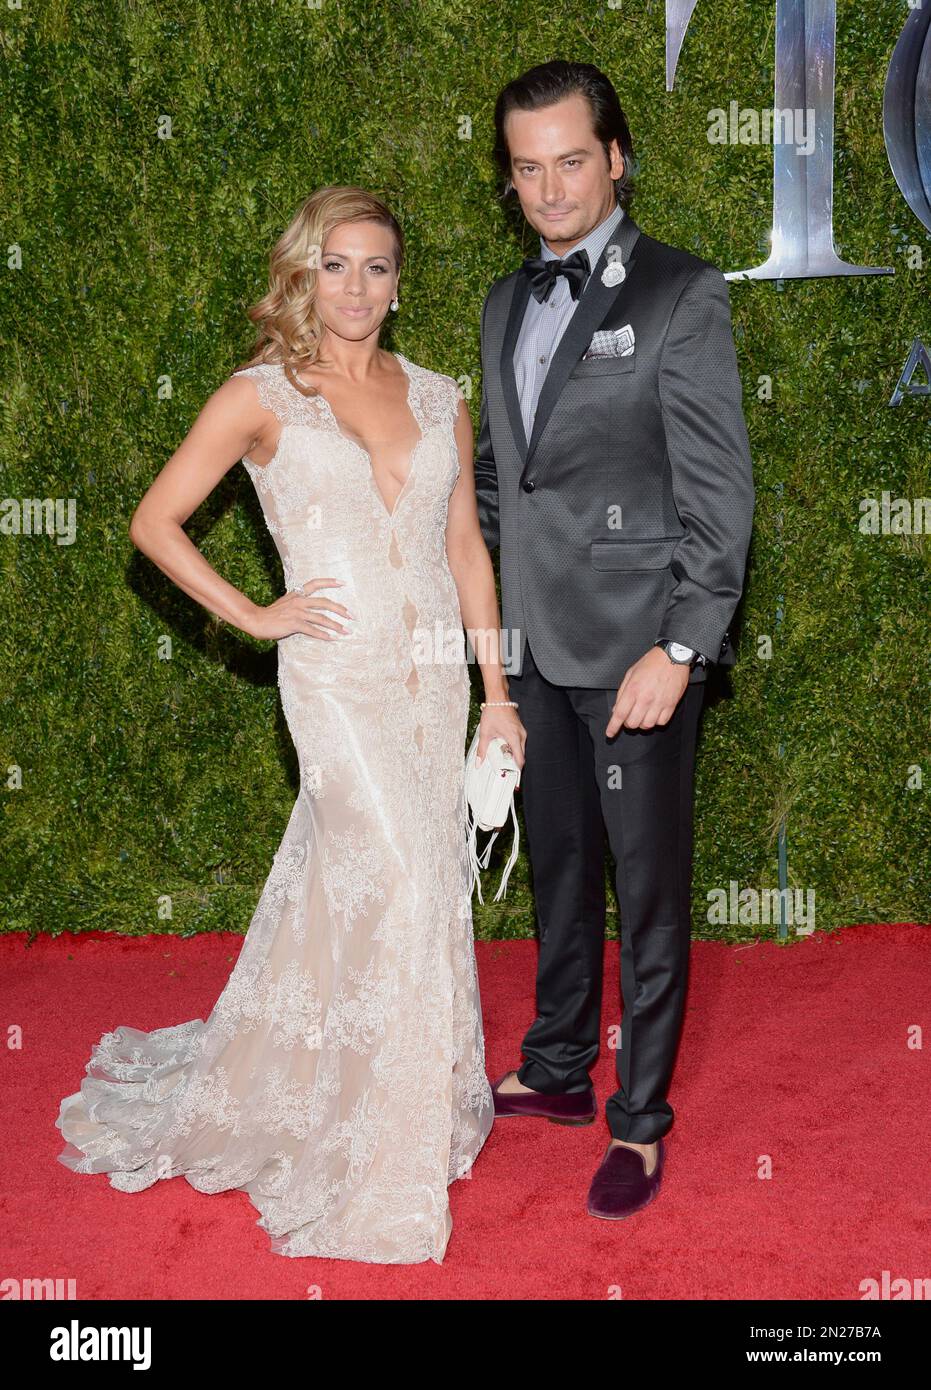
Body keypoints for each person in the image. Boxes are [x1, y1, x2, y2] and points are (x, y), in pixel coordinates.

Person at [55, 185, 526, 1265]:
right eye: (337, 264)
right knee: (402, 885)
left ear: (401, 282)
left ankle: (364, 1085)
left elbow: (465, 553)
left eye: (379, 267)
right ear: (303, 271)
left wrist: (498, 697)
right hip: (335, 682)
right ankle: (376, 1160)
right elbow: (153, 521)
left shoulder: (440, 394)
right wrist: (256, 614)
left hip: (431, 687)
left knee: (401, 888)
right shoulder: (260, 394)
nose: (358, 287)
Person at [475, 61, 755, 1218]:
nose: (548, 188)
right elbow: (501, 486)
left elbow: (720, 493)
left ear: (617, 158)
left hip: (639, 657)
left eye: (571, 161)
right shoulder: (500, 301)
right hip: (535, 652)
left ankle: (639, 1120)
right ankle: (555, 1069)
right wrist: (486, 642)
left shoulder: (682, 294)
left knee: (644, 889)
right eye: (526, 167)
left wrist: (680, 649)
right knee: (556, 869)